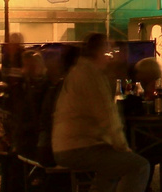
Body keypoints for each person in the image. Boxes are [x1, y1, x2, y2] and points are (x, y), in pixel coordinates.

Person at [53, 34, 154, 192]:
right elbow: (107, 115)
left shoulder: (81, 71)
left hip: (70, 144)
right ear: (100, 52)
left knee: (111, 168)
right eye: (109, 51)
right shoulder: (91, 76)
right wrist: (122, 147)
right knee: (139, 166)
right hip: (79, 146)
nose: (111, 56)